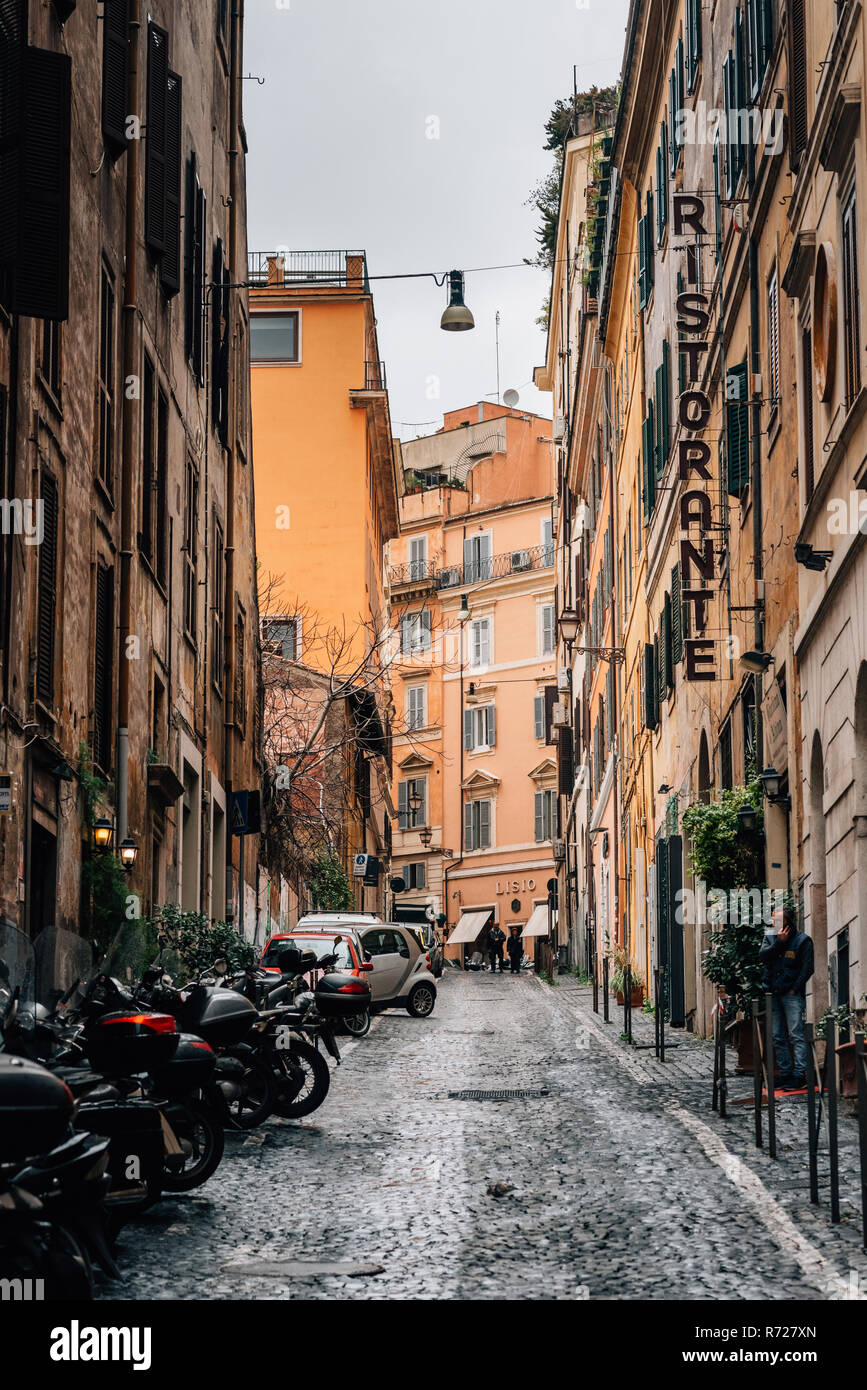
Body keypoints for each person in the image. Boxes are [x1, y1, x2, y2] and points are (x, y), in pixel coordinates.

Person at [759, 905, 814, 1090]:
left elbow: (807, 968)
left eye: (778, 920)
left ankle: (800, 1074)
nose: (774, 923)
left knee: (796, 1034)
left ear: (788, 923)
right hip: (773, 994)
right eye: (773, 920)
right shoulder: (770, 936)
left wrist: (794, 989)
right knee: (777, 1036)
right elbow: (763, 956)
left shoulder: (803, 941)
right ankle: (786, 1073)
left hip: (791, 995)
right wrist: (779, 943)